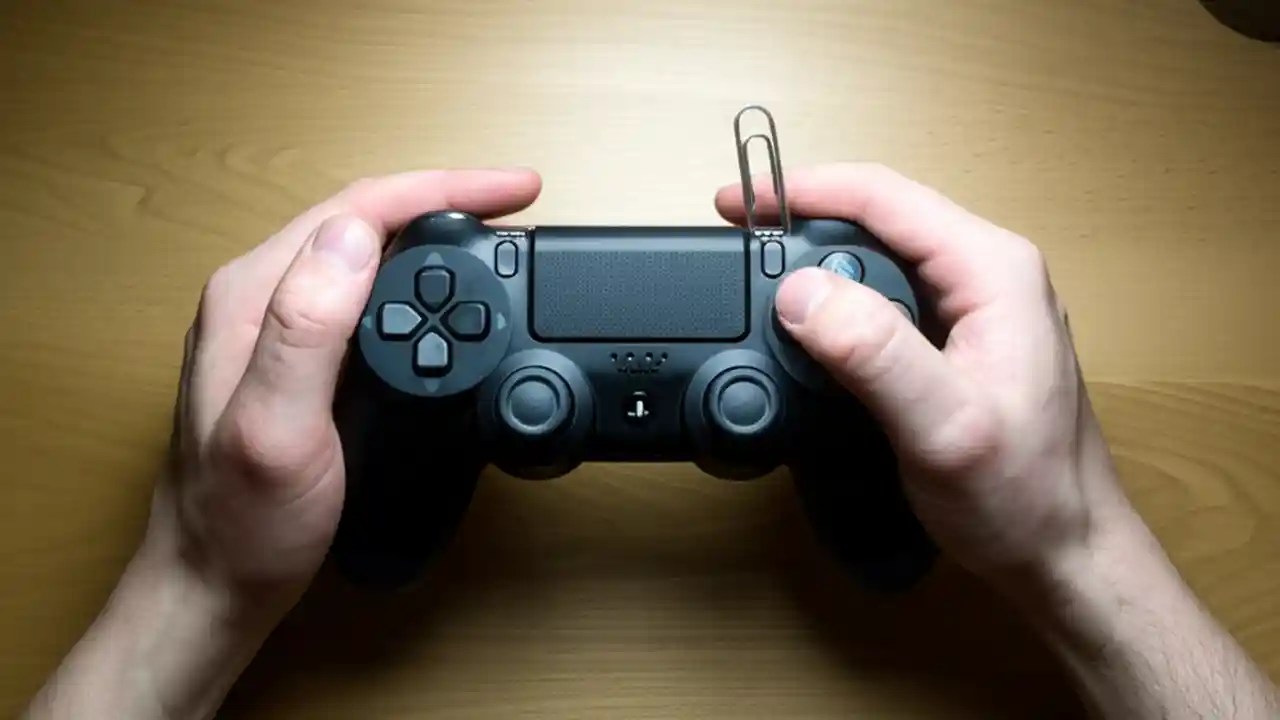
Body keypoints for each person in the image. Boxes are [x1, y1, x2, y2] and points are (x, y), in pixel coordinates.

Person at [23, 164, 1278, 720]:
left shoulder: (450, 298)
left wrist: (193, 585)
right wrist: (1076, 544)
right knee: (881, 547)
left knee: (392, 530)